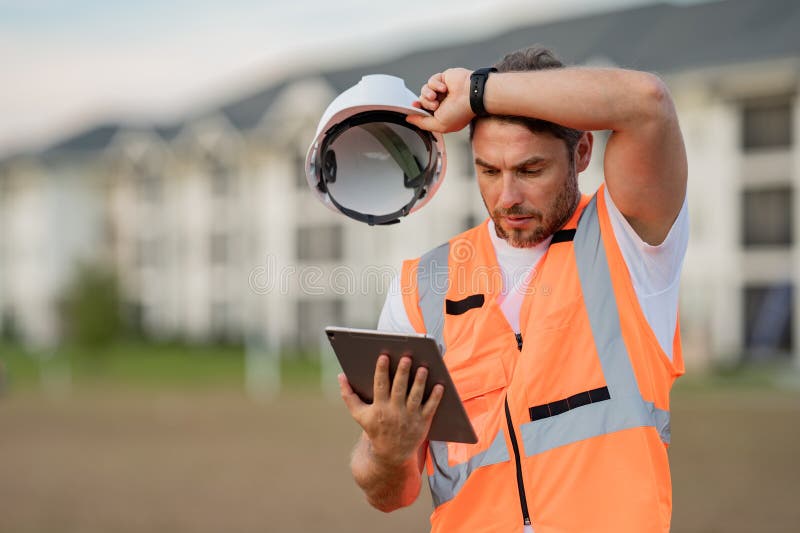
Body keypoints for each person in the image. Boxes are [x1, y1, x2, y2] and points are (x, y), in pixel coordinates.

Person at [337, 46, 688, 533]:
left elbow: (648, 102)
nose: (507, 197)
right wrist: (388, 453)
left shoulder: (628, 241)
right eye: (488, 170)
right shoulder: (422, 287)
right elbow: (388, 494)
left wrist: (476, 92)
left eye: (529, 170)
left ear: (582, 152)